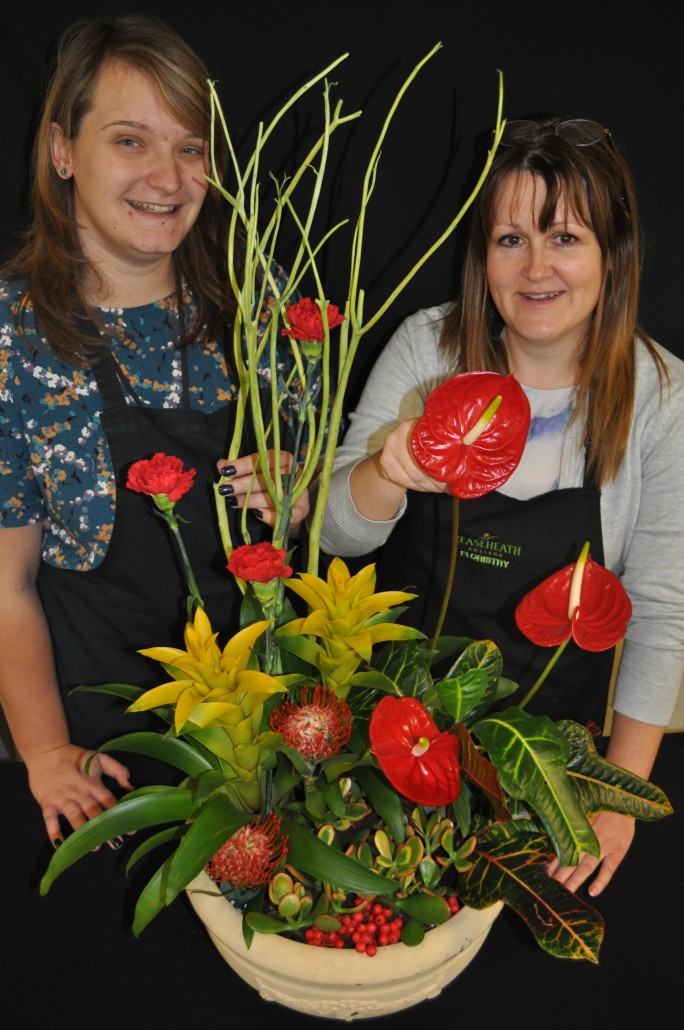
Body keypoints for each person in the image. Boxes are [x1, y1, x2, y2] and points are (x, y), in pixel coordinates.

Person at [320, 114, 684, 896]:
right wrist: (388, 467)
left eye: (566, 237)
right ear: (482, 256)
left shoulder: (663, 397)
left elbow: (660, 608)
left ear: (614, 254)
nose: (535, 267)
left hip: (548, 761)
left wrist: (617, 800)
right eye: (510, 239)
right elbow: (337, 537)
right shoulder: (429, 350)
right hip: (392, 732)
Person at [0, 16, 307, 847]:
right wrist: (46, 752)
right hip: (107, 760)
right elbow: (8, 585)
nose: (167, 178)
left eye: (191, 148)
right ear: (63, 150)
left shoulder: (261, 302)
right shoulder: (13, 338)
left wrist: (301, 491)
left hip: (269, 734)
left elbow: (327, 501)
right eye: (131, 140)